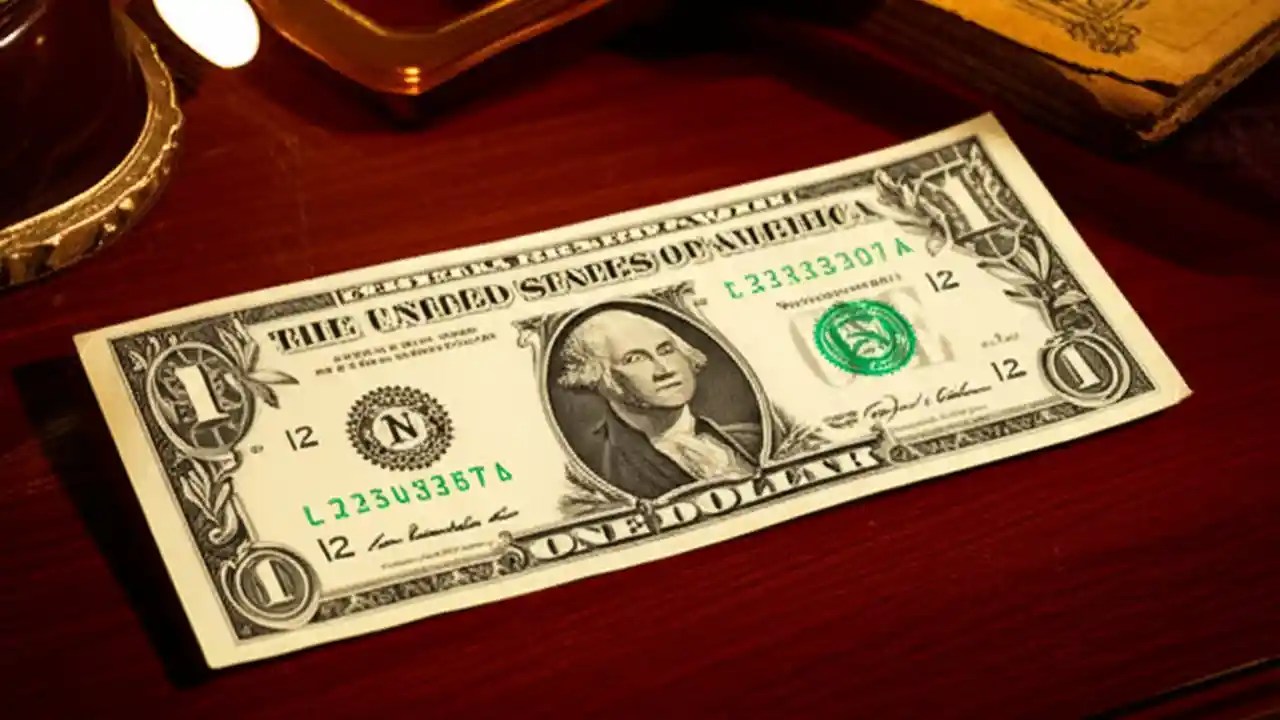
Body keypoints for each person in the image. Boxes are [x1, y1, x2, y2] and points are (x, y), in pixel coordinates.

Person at [557, 309, 761, 499]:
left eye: (666, 350)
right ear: (598, 377)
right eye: (635, 358)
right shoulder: (600, 473)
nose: (664, 369)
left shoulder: (751, 438)